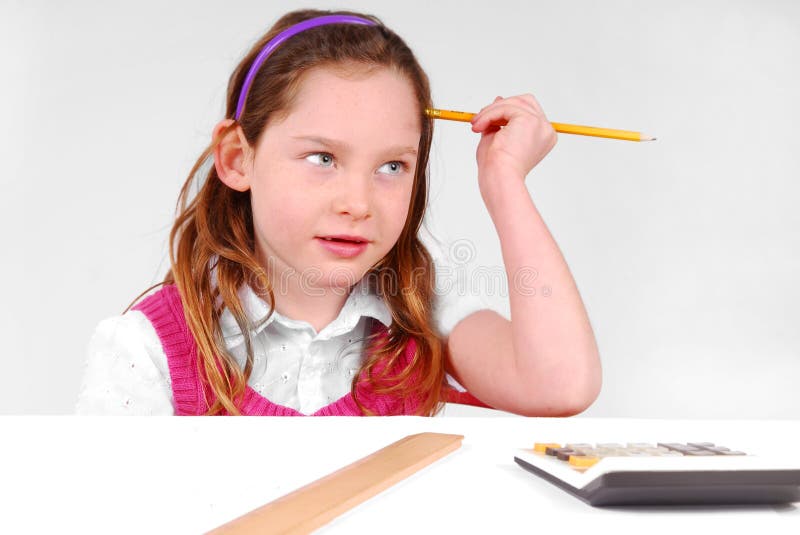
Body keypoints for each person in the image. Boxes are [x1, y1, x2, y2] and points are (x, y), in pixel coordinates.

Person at [75, 9, 601, 416]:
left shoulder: (421, 317)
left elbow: (560, 385)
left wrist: (505, 182)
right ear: (238, 159)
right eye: (322, 158)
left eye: (392, 166)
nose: (358, 203)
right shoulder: (144, 352)